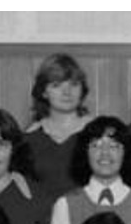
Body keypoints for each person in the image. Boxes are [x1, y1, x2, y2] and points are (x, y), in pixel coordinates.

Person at [23, 53, 92, 202]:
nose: (67, 92)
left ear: (82, 90)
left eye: (74, 84)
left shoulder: (96, 133)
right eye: (57, 85)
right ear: (43, 92)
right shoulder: (29, 138)